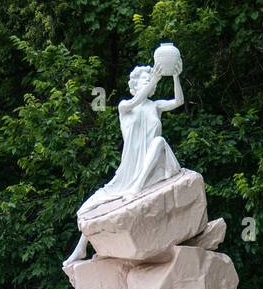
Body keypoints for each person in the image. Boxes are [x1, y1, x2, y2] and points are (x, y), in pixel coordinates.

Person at [64, 57, 184, 267]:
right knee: (95, 203)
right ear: (134, 85)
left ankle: (137, 187)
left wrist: (175, 76)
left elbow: (178, 101)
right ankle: (80, 247)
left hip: (154, 165)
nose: (148, 82)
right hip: (130, 168)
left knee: (159, 141)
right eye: (144, 80)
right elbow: (137, 100)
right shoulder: (125, 106)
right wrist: (153, 81)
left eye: (150, 79)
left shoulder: (155, 106)